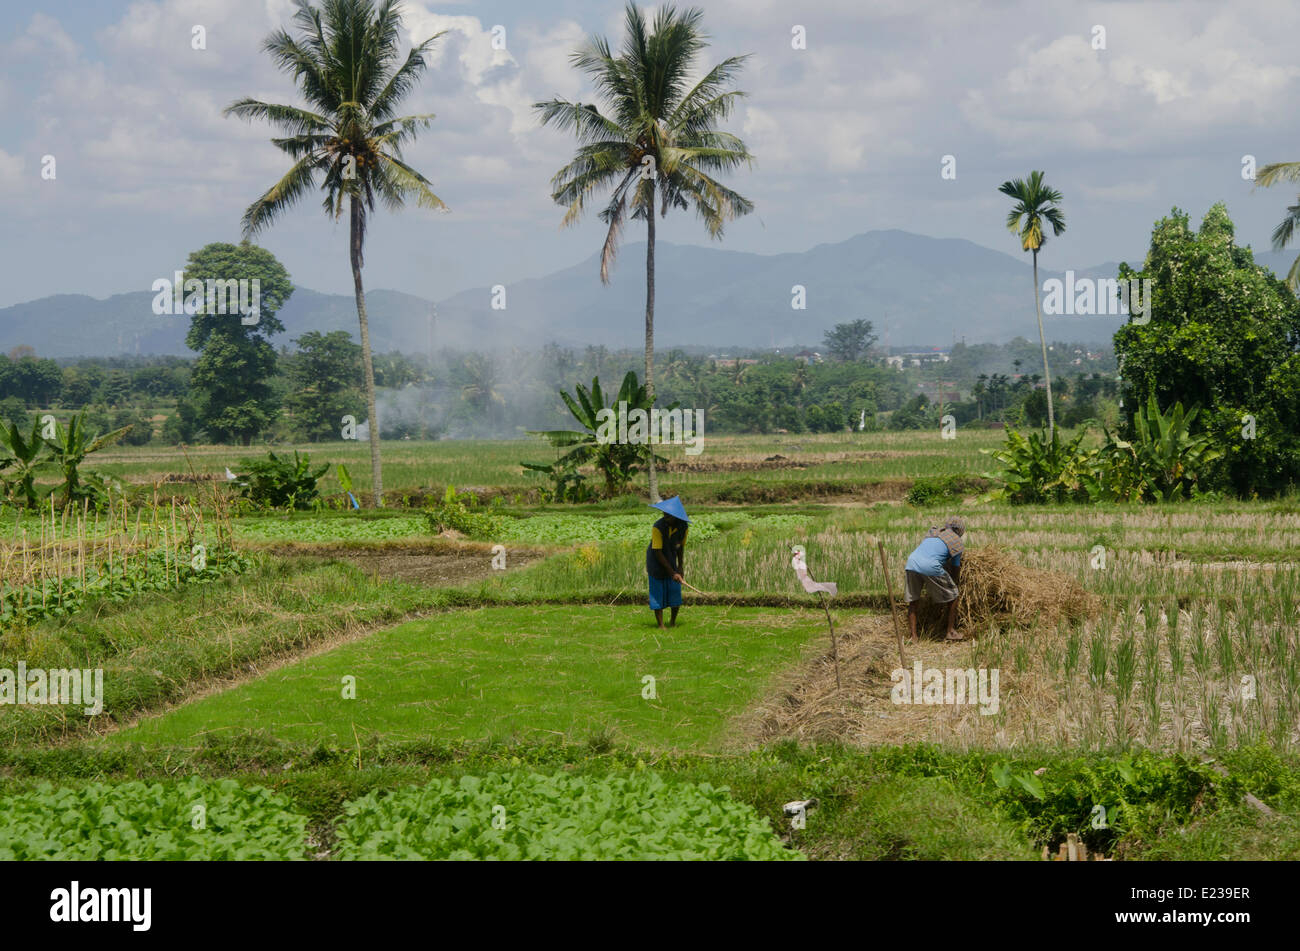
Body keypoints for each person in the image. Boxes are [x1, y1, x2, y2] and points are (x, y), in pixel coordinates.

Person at [904, 517, 965, 641]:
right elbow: (955, 567)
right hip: (930, 565)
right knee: (954, 596)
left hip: (911, 562)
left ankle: (913, 637)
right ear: (960, 531)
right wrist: (954, 583)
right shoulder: (956, 542)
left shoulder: (934, 533)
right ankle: (950, 632)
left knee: (913, 600)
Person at [645, 496, 689, 628]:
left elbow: (681, 547)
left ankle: (673, 622)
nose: (665, 517)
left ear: (676, 516)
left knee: (675, 590)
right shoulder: (657, 527)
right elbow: (658, 552)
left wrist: (680, 567)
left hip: (671, 559)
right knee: (657, 593)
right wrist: (671, 572)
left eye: (669, 515)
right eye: (664, 514)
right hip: (656, 561)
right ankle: (661, 625)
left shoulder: (683, 527)